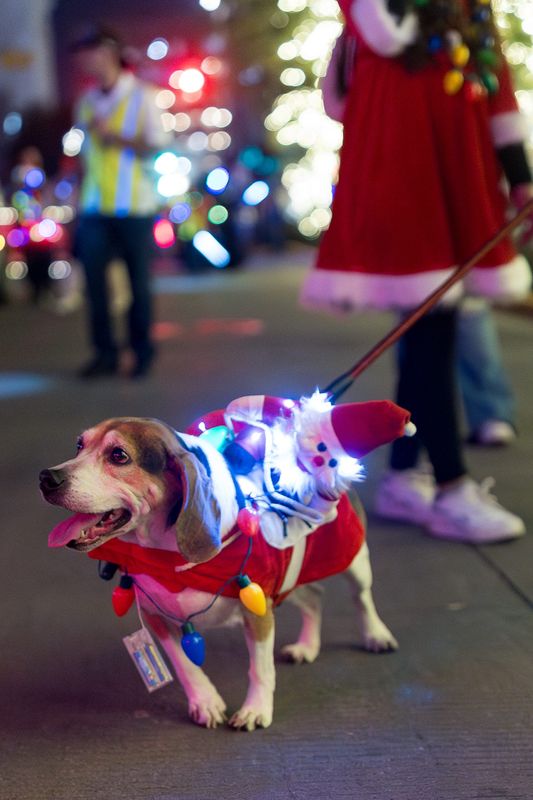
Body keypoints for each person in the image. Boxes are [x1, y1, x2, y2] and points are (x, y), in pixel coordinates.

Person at [301, 0, 533, 544]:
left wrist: (519, 174)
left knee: (434, 331)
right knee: (432, 329)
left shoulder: (470, 8)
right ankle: (451, 489)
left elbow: (495, 84)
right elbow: (369, 57)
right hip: (402, 174)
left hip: (459, 174)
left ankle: (405, 475)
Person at [71, 28, 167, 378]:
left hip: (135, 206)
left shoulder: (143, 96)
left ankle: (141, 353)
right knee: (95, 286)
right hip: (95, 206)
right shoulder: (85, 102)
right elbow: (82, 156)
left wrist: (118, 138)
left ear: (108, 52)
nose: (84, 61)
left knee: (138, 284)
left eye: (89, 52)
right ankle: (105, 353)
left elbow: (157, 144)